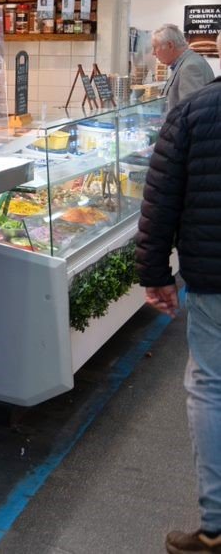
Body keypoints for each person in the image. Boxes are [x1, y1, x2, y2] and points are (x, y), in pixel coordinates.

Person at [135, 75, 221, 554]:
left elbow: (161, 195)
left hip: (214, 280)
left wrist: (155, 273)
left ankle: (216, 529)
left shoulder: (195, 109)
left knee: (211, 389)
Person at [154, 24, 215, 113]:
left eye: (155, 47)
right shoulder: (187, 62)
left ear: (170, 45)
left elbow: (191, 112)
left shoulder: (189, 67)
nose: (153, 53)